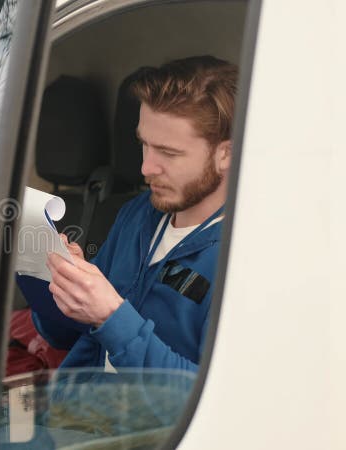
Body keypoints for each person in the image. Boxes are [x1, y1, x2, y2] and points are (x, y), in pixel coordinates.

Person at [34, 55, 238, 372]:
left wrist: (112, 316)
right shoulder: (139, 213)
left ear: (226, 154)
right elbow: (64, 337)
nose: (146, 168)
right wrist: (62, 283)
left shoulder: (241, 261)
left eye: (169, 153)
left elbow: (210, 402)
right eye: (144, 144)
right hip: (73, 412)